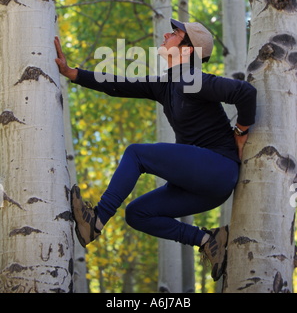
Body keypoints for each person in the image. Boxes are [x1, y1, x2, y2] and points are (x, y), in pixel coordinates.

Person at [54, 19, 257, 282]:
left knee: (137, 154)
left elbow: (245, 93)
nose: (166, 34)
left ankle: (97, 220)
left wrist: (241, 132)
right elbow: (118, 85)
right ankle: (209, 240)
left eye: (175, 33)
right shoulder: (167, 84)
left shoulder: (191, 79)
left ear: (187, 50)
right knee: (137, 213)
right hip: (201, 187)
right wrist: (73, 74)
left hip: (218, 170)